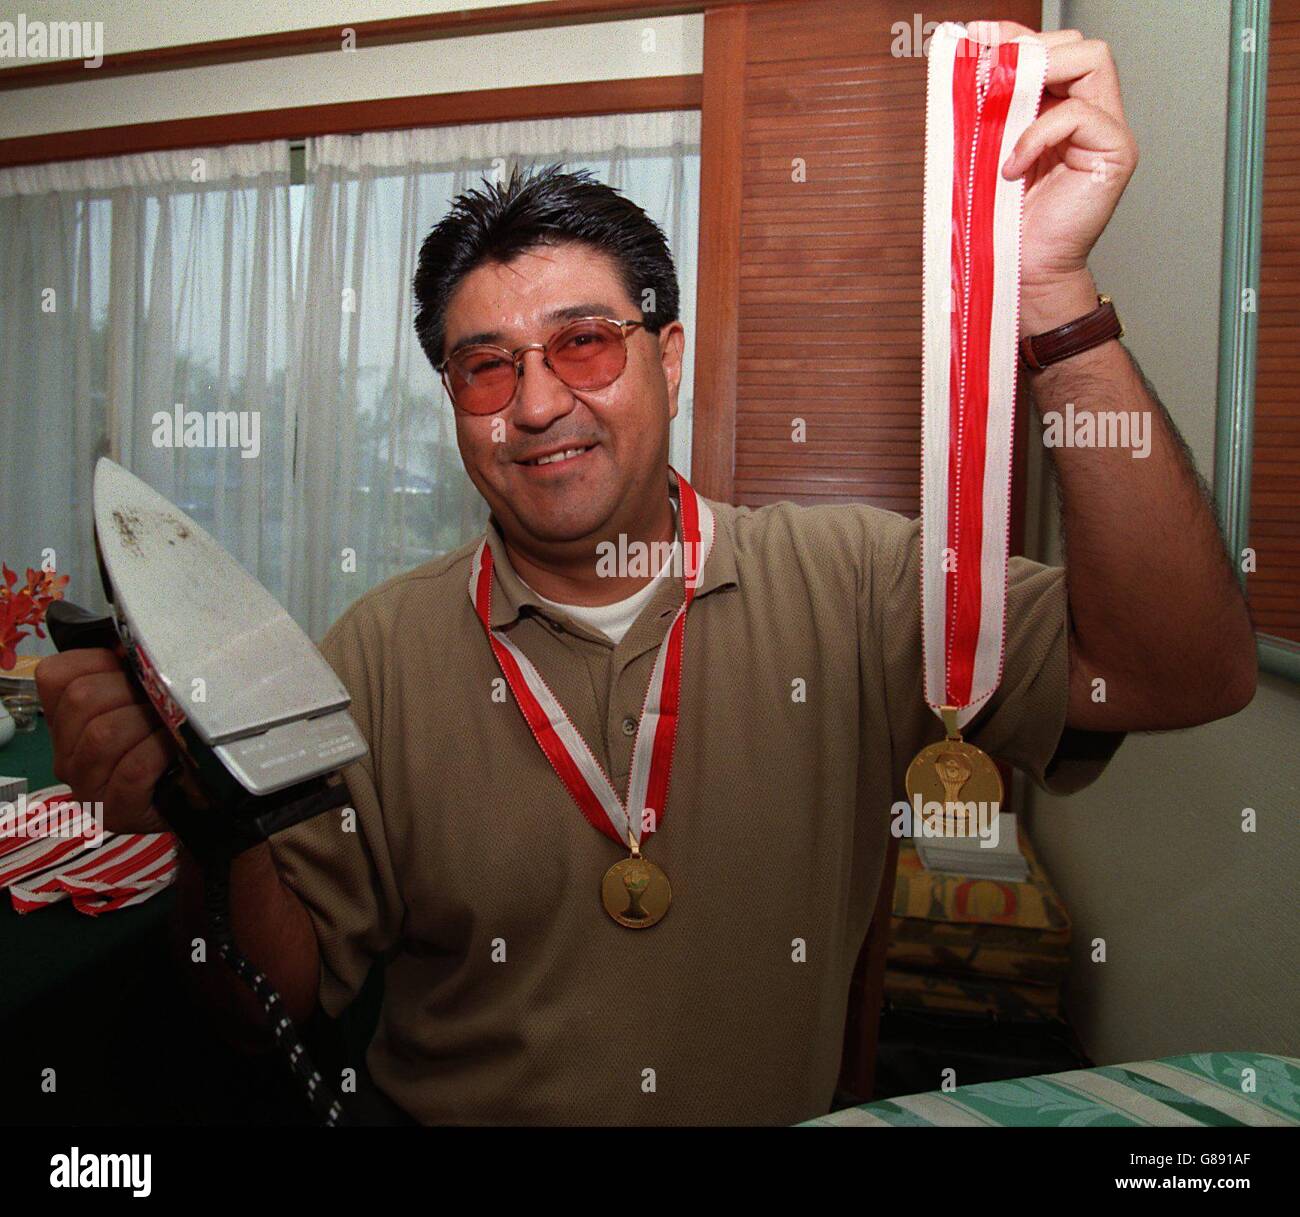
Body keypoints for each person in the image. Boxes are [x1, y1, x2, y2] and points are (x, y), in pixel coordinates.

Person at [35, 22, 1256, 1126]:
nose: (540, 403)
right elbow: (270, 1007)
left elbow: (1181, 672)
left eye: (583, 342)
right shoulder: (370, 655)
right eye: (484, 367)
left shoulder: (861, 583)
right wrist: (213, 828)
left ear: (669, 357)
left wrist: (1050, 294)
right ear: (454, 404)